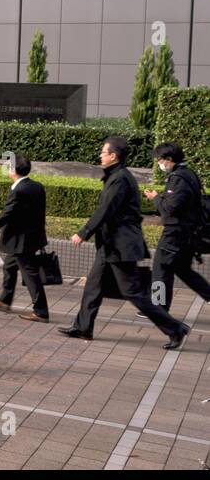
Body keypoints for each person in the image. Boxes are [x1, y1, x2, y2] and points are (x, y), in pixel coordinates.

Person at [59, 136, 190, 350]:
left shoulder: (120, 178)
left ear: (113, 156)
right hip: (111, 243)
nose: (100, 155)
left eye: (103, 152)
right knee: (93, 285)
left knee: (133, 293)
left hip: (121, 245)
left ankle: (175, 328)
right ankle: (83, 327)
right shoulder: (117, 176)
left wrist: (83, 232)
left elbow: (106, 209)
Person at [0, 153, 50, 321]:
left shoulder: (19, 190)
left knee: (29, 274)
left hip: (21, 240)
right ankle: (5, 299)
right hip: (32, 237)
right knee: (9, 266)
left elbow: (6, 215)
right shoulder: (36, 186)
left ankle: (41, 310)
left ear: (13, 170)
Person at [144, 142, 210, 313]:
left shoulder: (178, 178)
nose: (159, 163)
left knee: (161, 267)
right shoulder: (189, 174)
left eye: (160, 160)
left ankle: (158, 307)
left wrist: (156, 198)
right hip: (188, 232)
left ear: (169, 159)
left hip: (175, 233)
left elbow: (171, 208)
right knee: (181, 268)